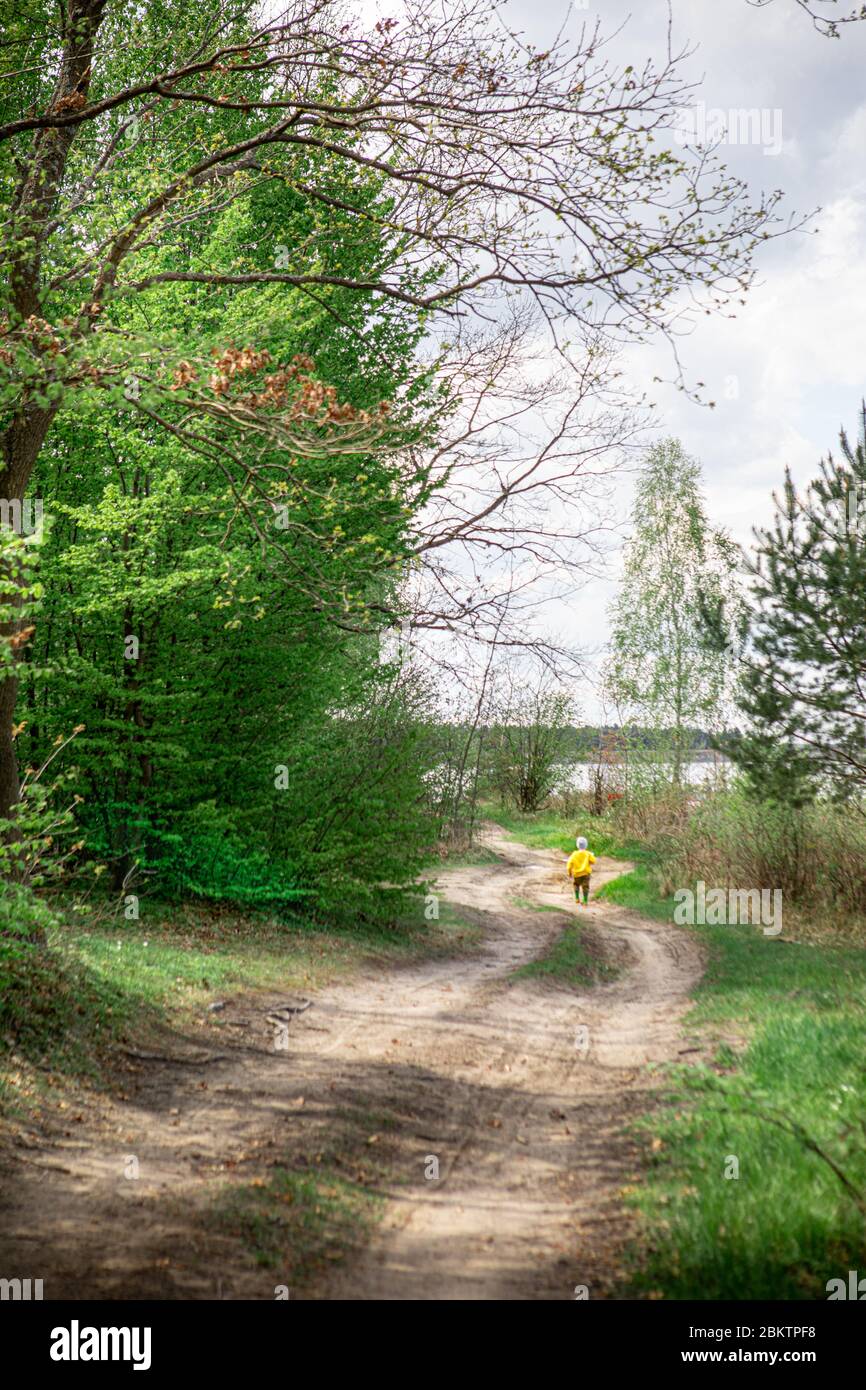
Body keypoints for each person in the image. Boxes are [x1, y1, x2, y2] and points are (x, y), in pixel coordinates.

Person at [566, 835, 596, 909]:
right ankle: (585, 901)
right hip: (586, 874)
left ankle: (577, 898)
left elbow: (569, 864)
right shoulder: (588, 853)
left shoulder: (574, 854)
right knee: (585, 887)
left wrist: (569, 872)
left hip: (576, 874)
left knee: (576, 885)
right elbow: (593, 861)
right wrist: (592, 856)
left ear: (577, 845)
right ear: (586, 845)